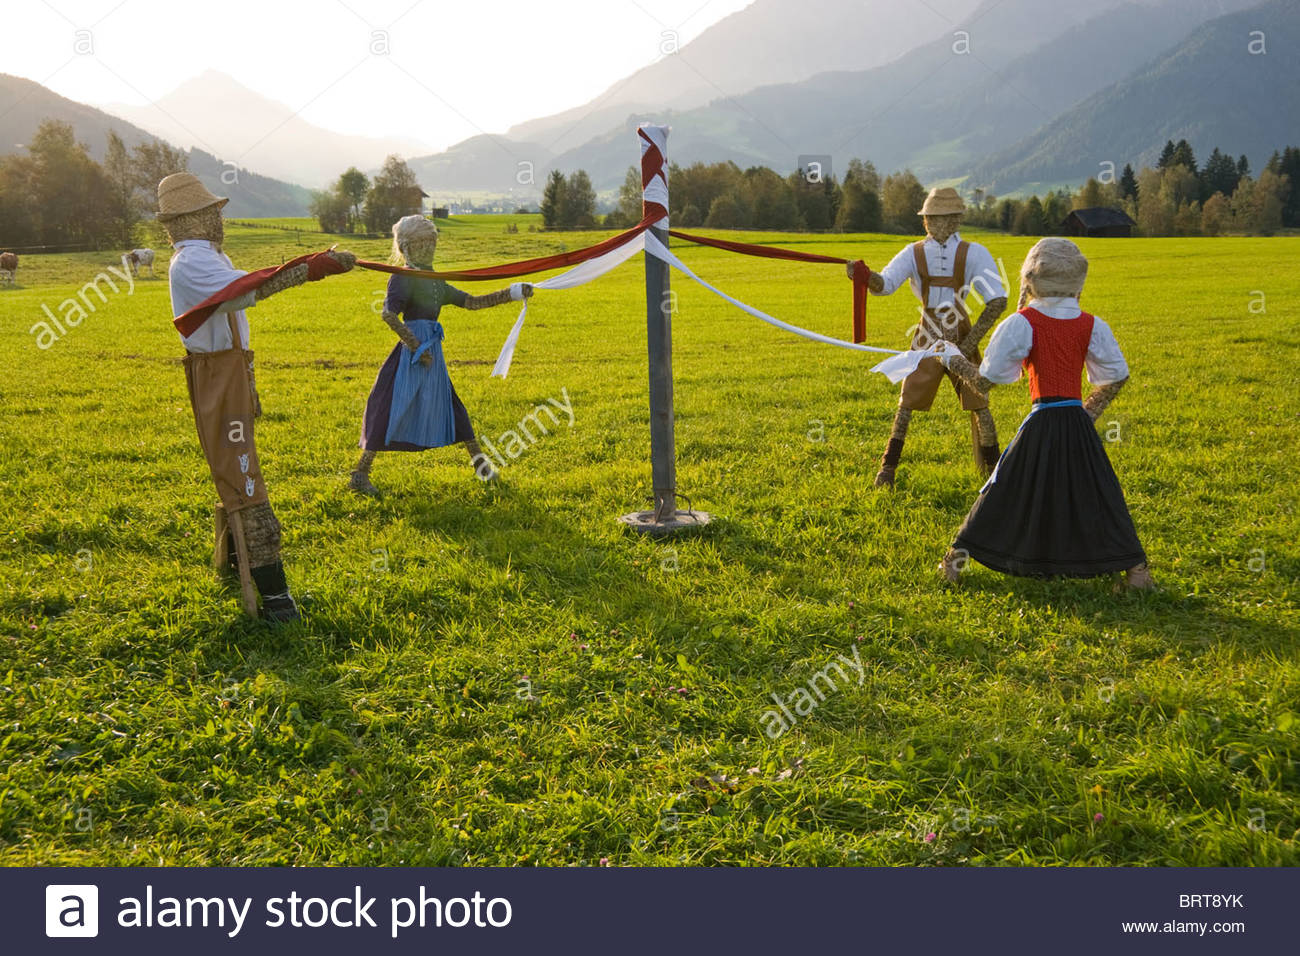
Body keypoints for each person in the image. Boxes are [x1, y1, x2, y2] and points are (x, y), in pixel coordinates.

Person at [159, 172, 357, 621]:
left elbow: (241, 288)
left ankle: (236, 570)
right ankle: (276, 601)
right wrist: (310, 269)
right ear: (190, 218)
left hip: (230, 371)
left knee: (239, 473)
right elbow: (243, 293)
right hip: (218, 378)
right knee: (247, 487)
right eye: (211, 212)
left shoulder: (207, 256)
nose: (219, 218)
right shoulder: (191, 263)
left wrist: (310, 264)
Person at [934, 237, 1154, 589]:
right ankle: (1137, 572)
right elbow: (1117, 376)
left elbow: (986, 382)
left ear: (1030, 280)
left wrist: (951, 359)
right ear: (1077, 283)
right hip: (1077, 425)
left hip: (1041, 421)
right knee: (1099, 492)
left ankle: (955, 562)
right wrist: (1089, 410)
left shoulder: (1023, 323)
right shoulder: (1092, 324)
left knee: (1002, 487)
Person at [349, 215, 531, 495]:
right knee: (387, 408)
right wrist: (415, 346)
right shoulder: (403, 278)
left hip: (433, 353)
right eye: (421, 243)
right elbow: (388, 314)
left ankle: (480, 466)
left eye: (431, 241)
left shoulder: (435, 281)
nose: (428, 248)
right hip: (410, 358)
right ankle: (360, 474)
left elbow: (471, 302)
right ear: (406, 247)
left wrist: (512, 293)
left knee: (452, 407)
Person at [856, 187, 1008, 487]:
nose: (936, 224)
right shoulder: (912, 253)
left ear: (956, 220)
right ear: (925, 220)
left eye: (943, 218)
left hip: (961, 329)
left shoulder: (974, 253)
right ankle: (887, 468)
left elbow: (998, 300)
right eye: (931, 218)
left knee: (978, 399)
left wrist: (969, 342)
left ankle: (993, 472)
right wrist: (864, 275)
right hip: (927, 334)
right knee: (908, 399)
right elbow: (884, 285)